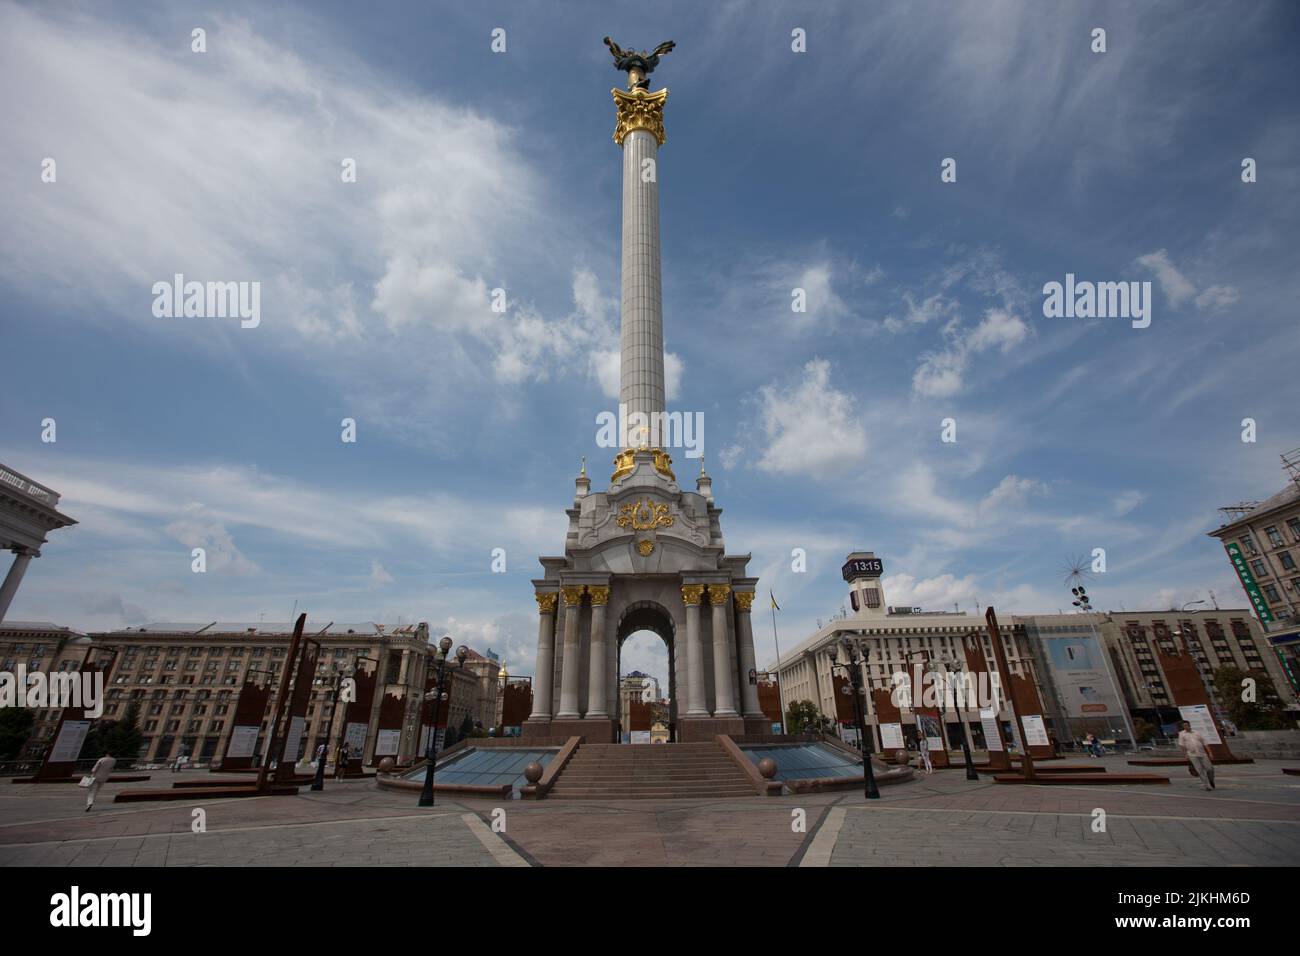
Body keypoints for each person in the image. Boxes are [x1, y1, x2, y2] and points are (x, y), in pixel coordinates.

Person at [1177, 721, 1215, 791]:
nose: (1185, 726)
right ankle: (1207, 786)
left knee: (1210, 769)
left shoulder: (1197, 732)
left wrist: (1210, 753)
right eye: (1184, 726)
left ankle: (1211, 780)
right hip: (1192, 755)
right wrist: (1185, 755)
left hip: (1202, 753)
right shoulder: (1182, 734)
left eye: (1186, 725)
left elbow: (1205, 742)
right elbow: (1182, 745)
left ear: (1189, 725)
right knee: (1199, 770)